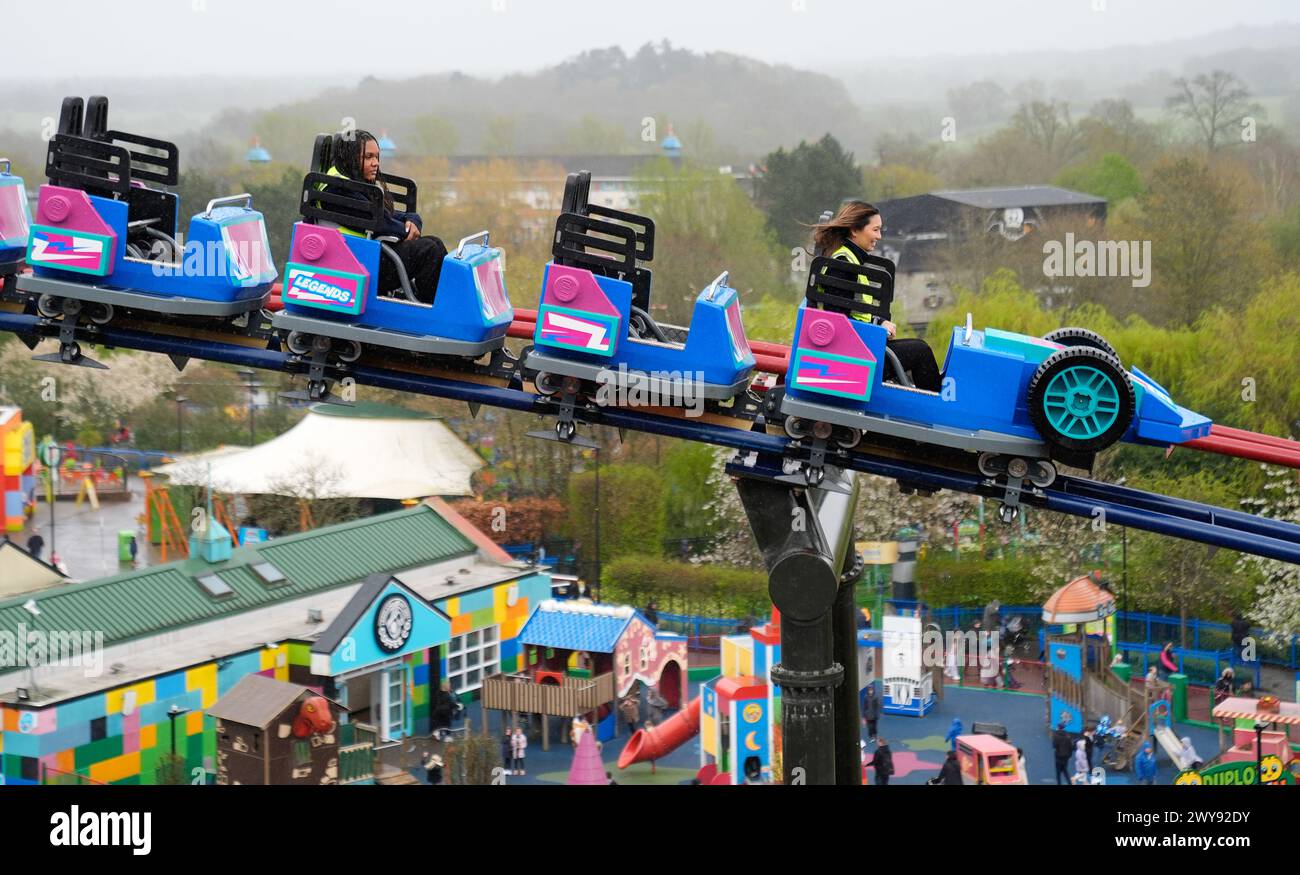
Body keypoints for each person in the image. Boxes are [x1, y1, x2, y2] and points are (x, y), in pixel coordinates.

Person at [811, 201, 942, 392]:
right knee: (920, 352)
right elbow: (838, 321)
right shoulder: (842, 266)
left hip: (859, 347)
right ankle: (933, 410)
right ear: (855, 230)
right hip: (852, 357)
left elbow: (853, 311)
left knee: (917, 349)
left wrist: (878, 321)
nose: (879, 236)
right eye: (875, 230)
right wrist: (877, 325)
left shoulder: (851, 261)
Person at [323, 131, 447, 305]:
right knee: (429, 250)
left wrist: (412, 219)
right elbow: (382, 223)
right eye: (368, 157)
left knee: (435, 243)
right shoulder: (339, 190)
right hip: (361, 264)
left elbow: (388, 215)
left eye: (377, 157)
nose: (376, 163)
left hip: (368, 255)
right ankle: (433, 309)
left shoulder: (350, 181)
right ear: (350, 158)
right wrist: (406, 229)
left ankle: (436, 302)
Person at [1052, 719, 1074, 785]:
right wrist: (1069, 755)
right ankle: (1069, 782)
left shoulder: (1056, 735)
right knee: (1065, 770)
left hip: (1058, 756)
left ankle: (1059, 783)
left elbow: (1054, 745)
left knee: (1058, 772)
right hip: (1066, 756)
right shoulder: (1068, 736)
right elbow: (1071, 747)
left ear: (1058, 727)